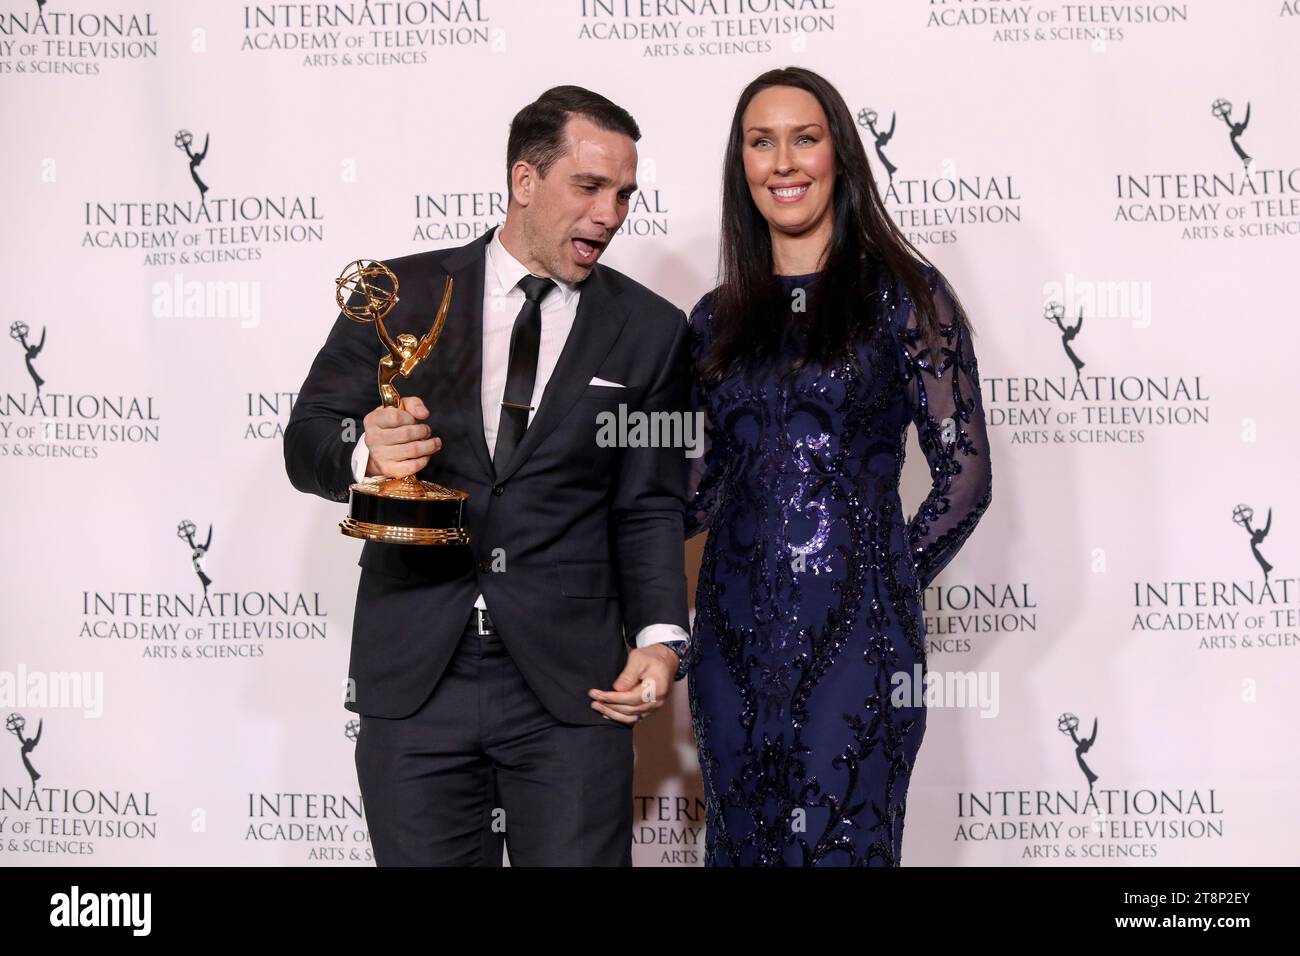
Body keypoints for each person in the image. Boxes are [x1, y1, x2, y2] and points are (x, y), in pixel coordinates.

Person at [284, 86, 692, 866]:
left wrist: (661, 639)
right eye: (589, 186)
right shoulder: (397, 297)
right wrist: (366, 451)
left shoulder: (651, 330)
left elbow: (648, 504)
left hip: (573, 689)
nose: (609, 214)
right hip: (416, 678)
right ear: (524, 180)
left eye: (624, 194)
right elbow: (307, 442)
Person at [685, 67, 993, 866]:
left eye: (805, 138)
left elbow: (964, 478)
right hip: (730, 648)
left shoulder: (905, 297)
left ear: (840, 156)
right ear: (741, 164)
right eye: (762, 142)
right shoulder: (715, 320)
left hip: (860, 651)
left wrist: (881, 586)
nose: (783, 162)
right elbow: (698, 491)